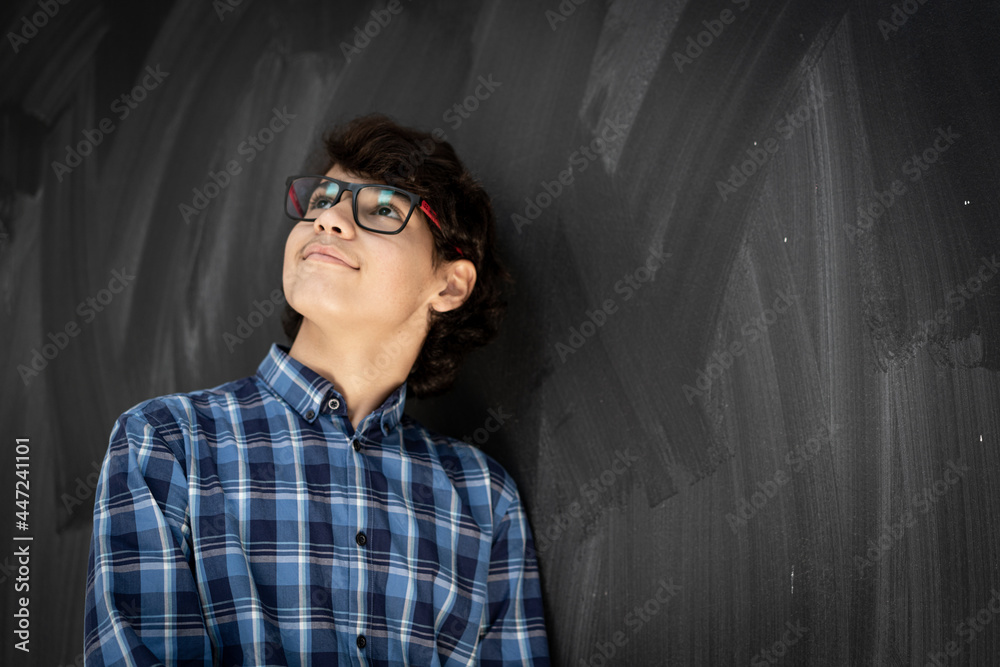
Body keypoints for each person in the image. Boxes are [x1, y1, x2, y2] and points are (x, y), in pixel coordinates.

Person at [83, 114, 550, 665]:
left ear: (449, 284)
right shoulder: (166, 443)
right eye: (322, 198)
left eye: (380, 209)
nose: (328, 218)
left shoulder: (483, 499)